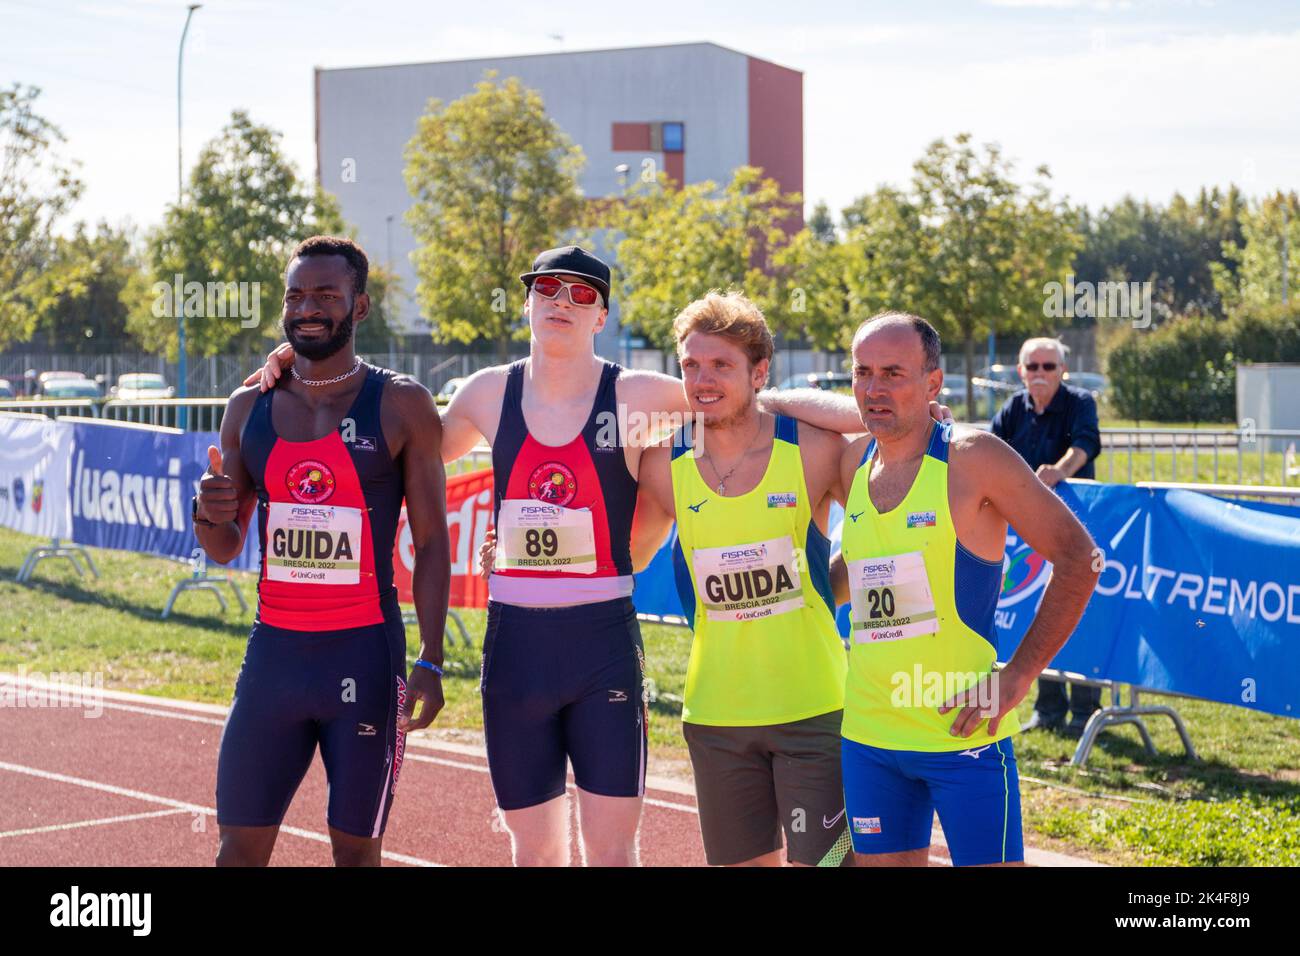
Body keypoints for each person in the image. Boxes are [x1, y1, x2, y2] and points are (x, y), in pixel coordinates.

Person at [247, 246, 866, 866]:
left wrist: (878, 417)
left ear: (602, 316)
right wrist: (308, 367)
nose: (562, 303)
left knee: (611, 849)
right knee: (534, 849)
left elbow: (754, 401)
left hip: (602, 648)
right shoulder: (487, 392)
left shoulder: (636, 395)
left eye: (581, 294)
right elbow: (397, 429)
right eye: (548, 289)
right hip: (516, 649)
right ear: (527, 302)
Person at [196, 236, 451, 866]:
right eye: (295, 295)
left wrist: (433, 658)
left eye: (325, 295)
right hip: (274, 660)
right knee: (238, 850)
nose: (307, 307)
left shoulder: (401, 405)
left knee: (356, 855)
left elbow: (434, 541)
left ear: (358, 307)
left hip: (365, 656)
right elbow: (224, 547)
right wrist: (210, 509)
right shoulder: (247, 407)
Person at [835, 313, 1099, 866]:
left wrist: (1019, 676)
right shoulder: (855, 462)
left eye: (893, 373)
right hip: (869, 736)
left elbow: (1080, 560)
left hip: (962, 736)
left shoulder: (973, 457)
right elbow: (852, 578)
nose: (874, 388)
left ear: (934, 383)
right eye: (862, 372)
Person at [620, 292, 851, 867]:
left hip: (813, 709)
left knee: (828, 865)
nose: (703, 379)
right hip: (716, 714)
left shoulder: (813, 450)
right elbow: (624, 559)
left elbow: (888, 522)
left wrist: (824, 587)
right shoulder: (661, 464)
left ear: (760, 371)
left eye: (721, 364)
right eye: (691, 365)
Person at [990, 336, 1102, 736]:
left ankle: (1086, 710)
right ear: (1020, 371)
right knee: (1036, 614)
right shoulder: (1011, 409)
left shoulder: (1080, 402)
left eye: (1048, 366)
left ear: (1062, 371)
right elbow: (990, 453)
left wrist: (1058, 471)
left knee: (1077, 615)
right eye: (1032, 366)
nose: (1040, 373)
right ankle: (1049, 708)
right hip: (1025, 535)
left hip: (1074, 532)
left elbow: (1087, 444)